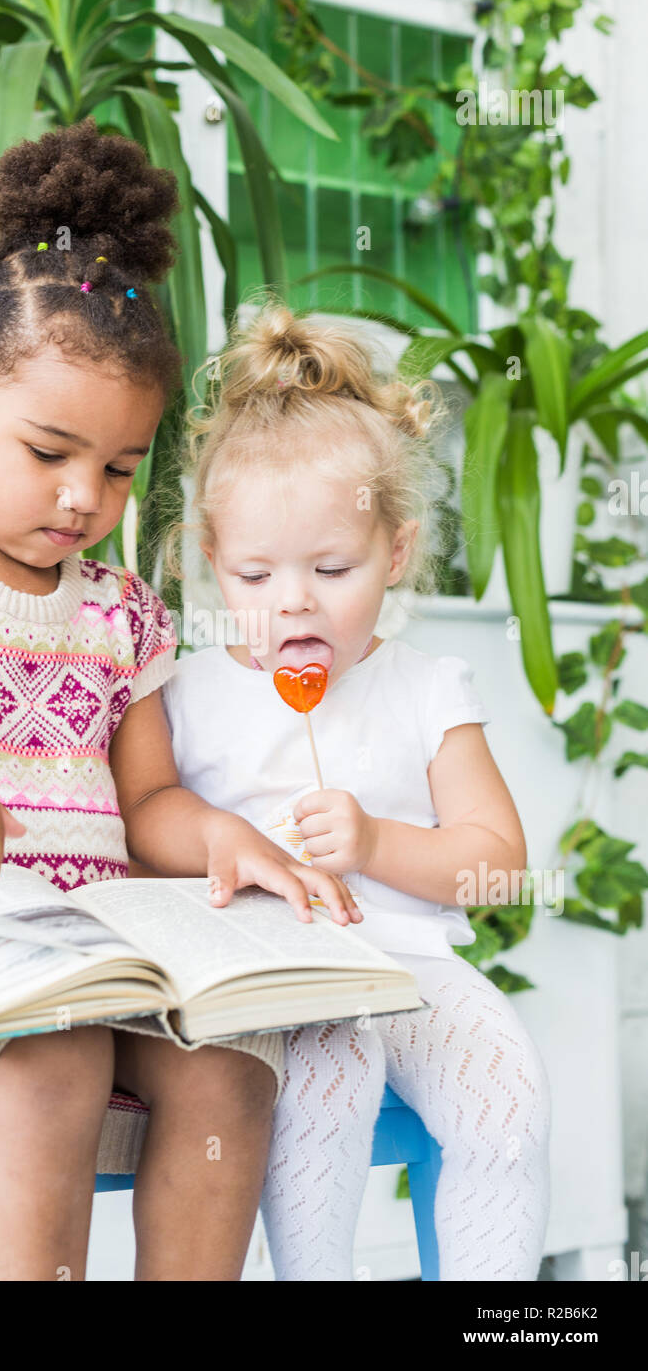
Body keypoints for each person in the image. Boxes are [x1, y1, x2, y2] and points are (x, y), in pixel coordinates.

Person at [0, 122, 358, 1282]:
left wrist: (223, 839)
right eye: (49, 451)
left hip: (99, 955)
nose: (82, 495)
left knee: (230, 1065)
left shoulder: (120, 614)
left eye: (119, 467)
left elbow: (144, 800)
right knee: (53, 1061)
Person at [159, 296, 552, 1280]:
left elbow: (494, 867)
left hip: (414, 969)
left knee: (505, 1095)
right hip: (278, 986)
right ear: (214, 563)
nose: (292, 599)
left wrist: (378, 843)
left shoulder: (423, 689)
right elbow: (149, 823)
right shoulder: (190, 688)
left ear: (395, 552)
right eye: (254, 574)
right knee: (330, 1079)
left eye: (331, 567)